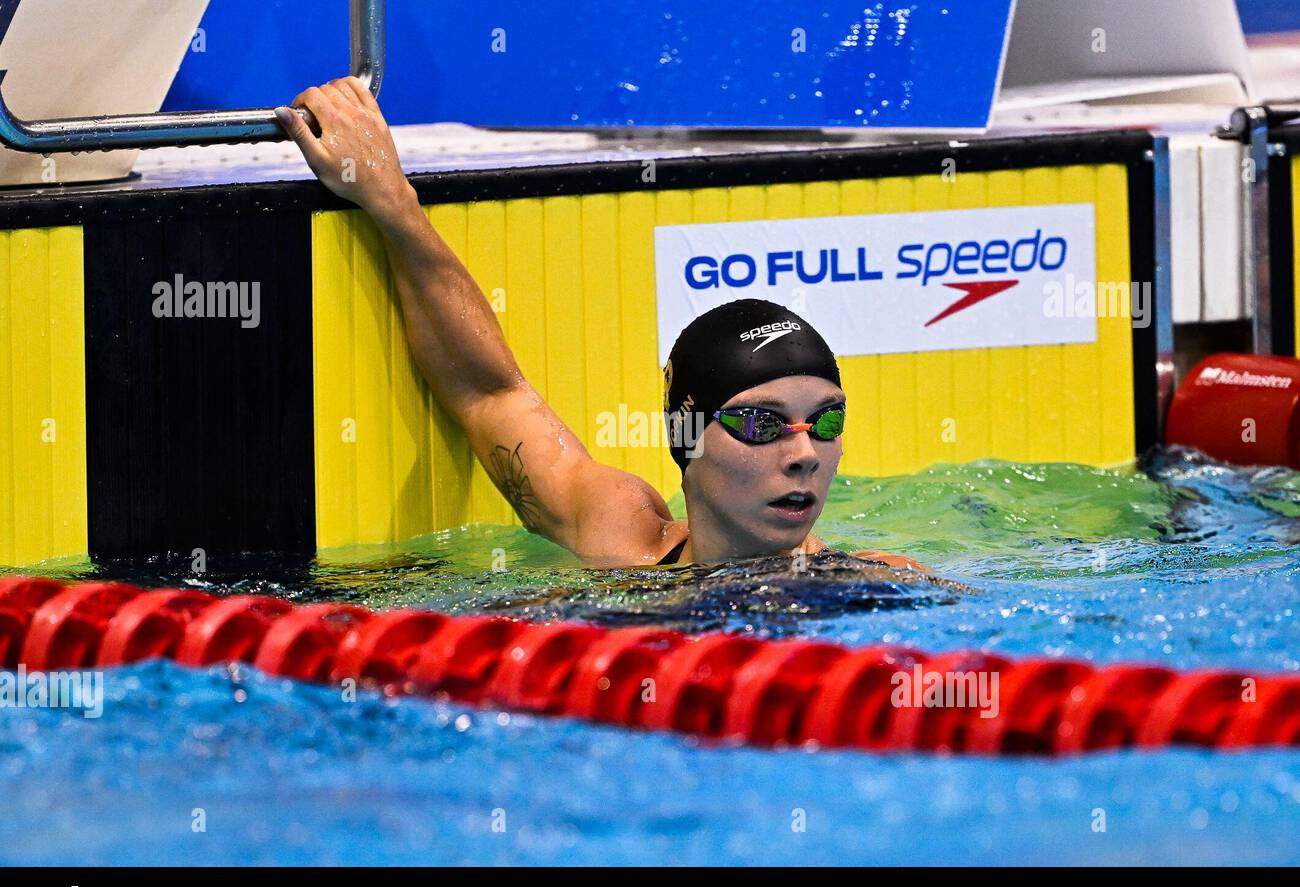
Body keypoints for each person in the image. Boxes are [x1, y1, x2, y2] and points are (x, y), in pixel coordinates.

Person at [276, 78, 924, 570]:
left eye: (827, 420)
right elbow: (489, 393)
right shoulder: (618, 534)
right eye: (761, 423)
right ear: (687, 435)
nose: (805, 455)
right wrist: (390, 196)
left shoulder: (884, 589)